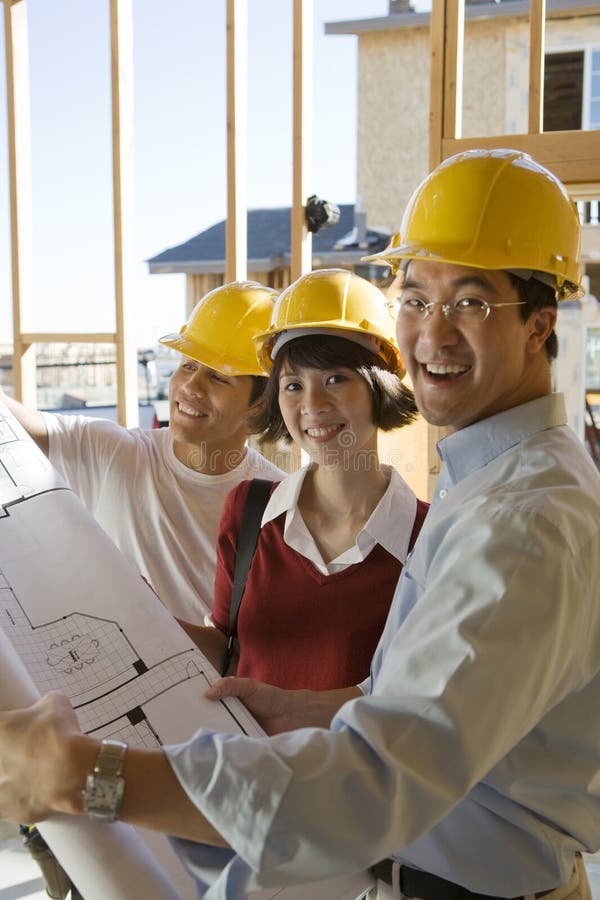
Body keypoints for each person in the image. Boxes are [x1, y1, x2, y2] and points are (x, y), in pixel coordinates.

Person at [2, 148, 600, 900]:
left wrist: (79, 776)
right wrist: (315, 706)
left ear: (541, 321)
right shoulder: (484, 482)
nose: (433, 333)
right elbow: (446, 711)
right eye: (415, 297)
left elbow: (372, 782)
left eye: (471, 302)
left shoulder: (520, 521)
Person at [183, 268, 428, 687]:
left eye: (335, 379)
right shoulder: (249, 512)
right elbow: (229, 649)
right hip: (249, 753)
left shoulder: (427, 538)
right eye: (293, 385)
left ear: (380, 387)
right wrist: (140, 610)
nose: (312, 405)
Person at [0, 281, 285, 624]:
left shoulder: (279, 501)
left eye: (218, 378)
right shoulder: (118, 454)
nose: (190, 387)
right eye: (188, 366)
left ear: (260, 403)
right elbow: (16, 421)